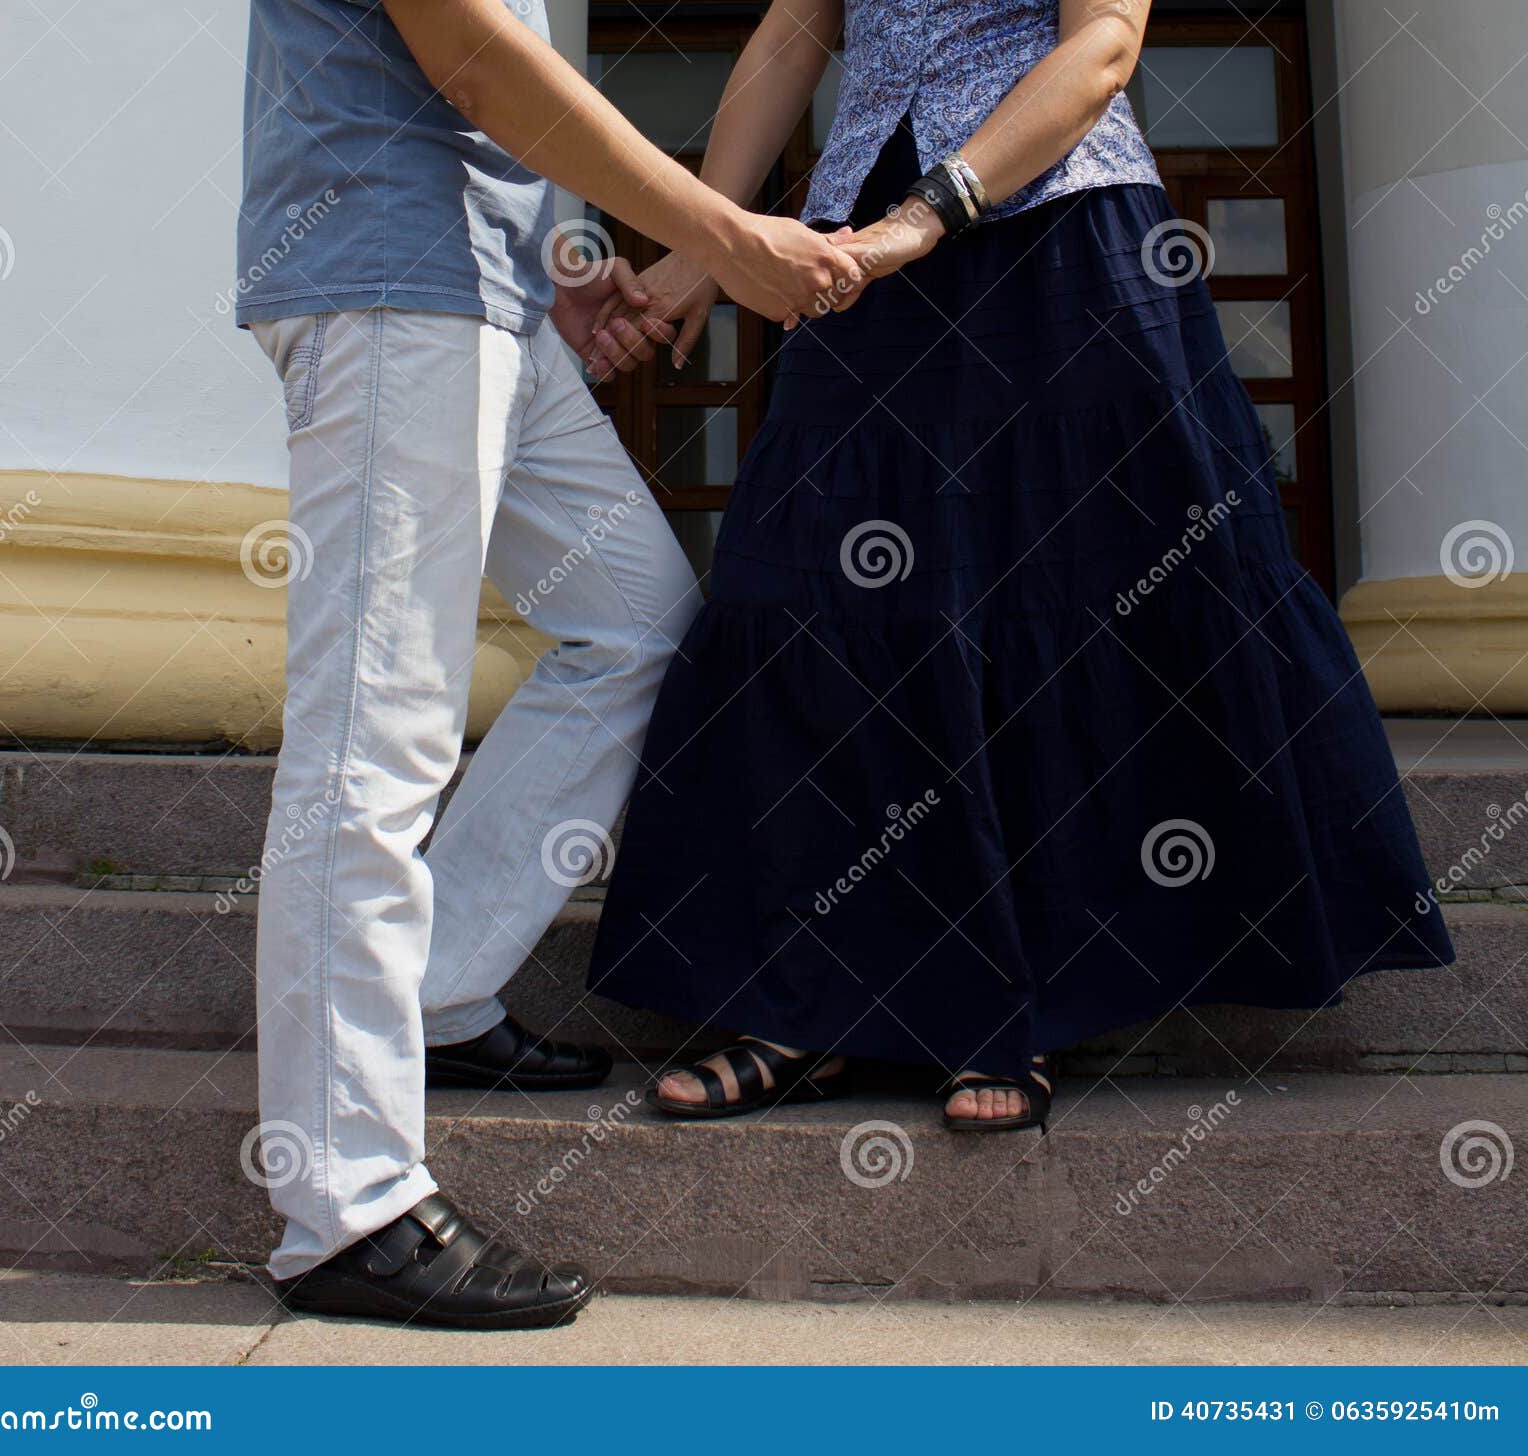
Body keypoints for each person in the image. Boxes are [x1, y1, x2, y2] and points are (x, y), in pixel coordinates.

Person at [587, 0, 1455, 1130]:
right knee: (804, 592)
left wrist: (923, 216)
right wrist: (702, 249)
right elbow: (793, 35)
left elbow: (1100, 46)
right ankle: (804, 997)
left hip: (1059, 231)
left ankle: (1025, 1000)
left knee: (1058, 600)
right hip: (858, 247)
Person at [237, 0, 863, 1330]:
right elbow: (469, 51)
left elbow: (474, 103)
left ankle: (442, 984)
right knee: (376, 731)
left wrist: (565, 246)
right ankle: (344, 1203)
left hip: (487, 298)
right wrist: (723, 232)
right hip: (389, 282)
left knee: (637, 619)